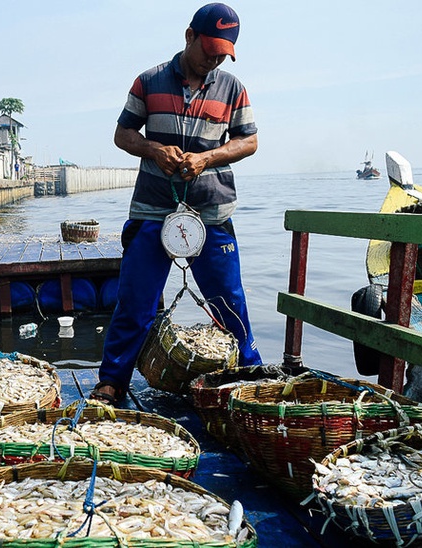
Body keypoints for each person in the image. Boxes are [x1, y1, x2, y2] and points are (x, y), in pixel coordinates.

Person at [92, 2, 261, 405]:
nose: (215, 58)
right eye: (210, 49)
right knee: (136, 300)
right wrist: (153, 149)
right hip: (153, 209)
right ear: (189, 36)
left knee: (229, 301)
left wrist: (208, 158)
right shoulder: (148, 81)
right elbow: (123, 134)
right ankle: (112, 381)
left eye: (223, 52)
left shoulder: (232, 88)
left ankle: (249, 374)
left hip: (211, 212)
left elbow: (249, 141)